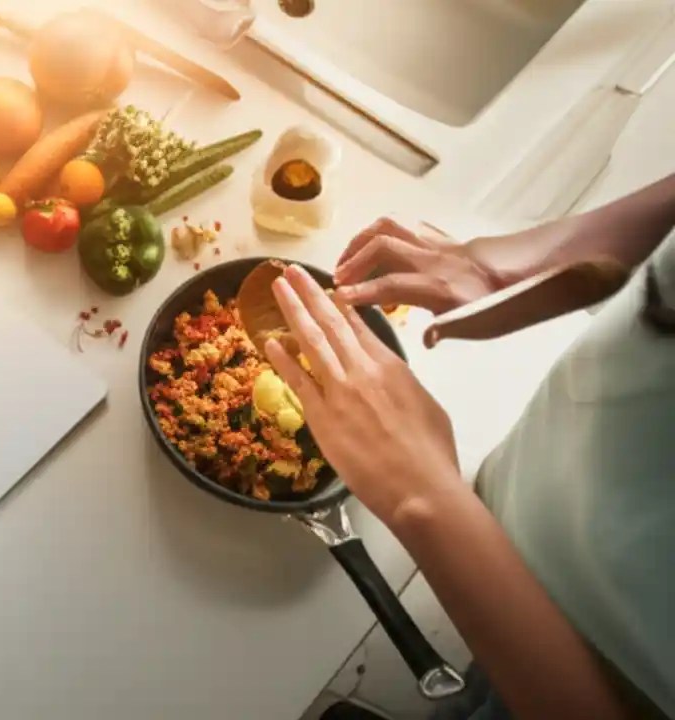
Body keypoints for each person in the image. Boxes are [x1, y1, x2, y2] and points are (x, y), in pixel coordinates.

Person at [287, 174, 675, 720]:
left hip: (605, 676)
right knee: (478, 690)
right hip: (514, 548)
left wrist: (426, 501)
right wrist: (531, 263)